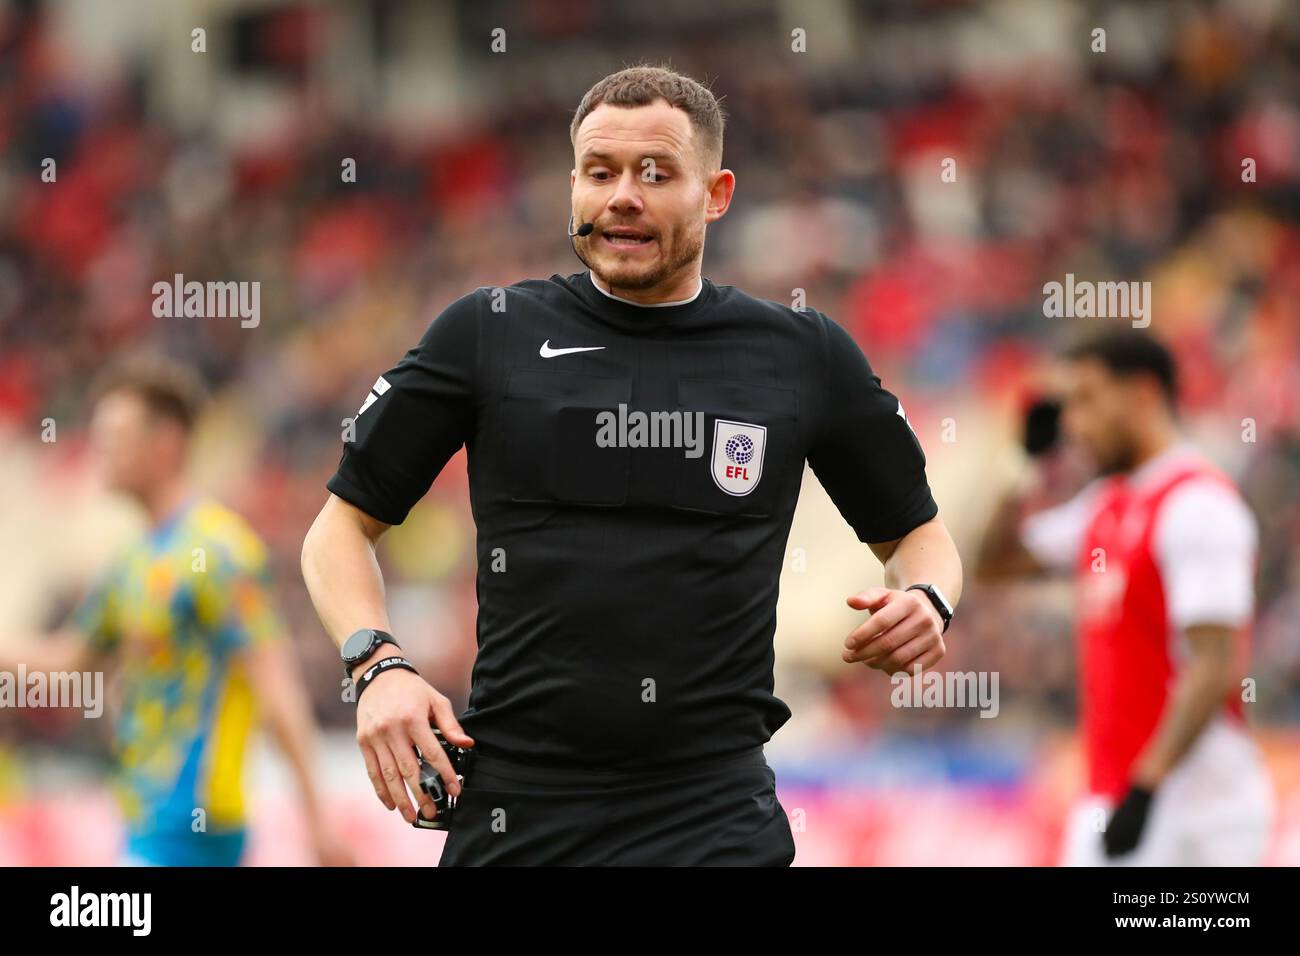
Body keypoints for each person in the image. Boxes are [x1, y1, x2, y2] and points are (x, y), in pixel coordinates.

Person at [301, 64, 962, 866]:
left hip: (712, 813)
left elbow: (919, 537)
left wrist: (927, 598)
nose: (622, 195)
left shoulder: (798, 353)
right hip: (520, 810)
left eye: (656, 174)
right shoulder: (488, 334)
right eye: (599, 172)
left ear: (716, 194)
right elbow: (340, 527)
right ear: (571, 187)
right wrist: (378, 665)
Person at [2, 355, 352, 866]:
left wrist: (317, 819)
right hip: (142, 818)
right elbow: (66, 660)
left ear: (166, 443)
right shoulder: (133, 561)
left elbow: (277, 689)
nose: (101, 452)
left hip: (198, 823)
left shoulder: (218, 551)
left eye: (116, 436)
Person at [975, 329, 1274, 865]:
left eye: (1087, 400)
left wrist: (1146, 788)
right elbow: (993, 565)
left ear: (1142, 394)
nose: (1073, 424)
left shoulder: (1197, 504)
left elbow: (1215, 663)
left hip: (1196, 808)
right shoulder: (1107, 506)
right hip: (1117, 798)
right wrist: (1025, 464)